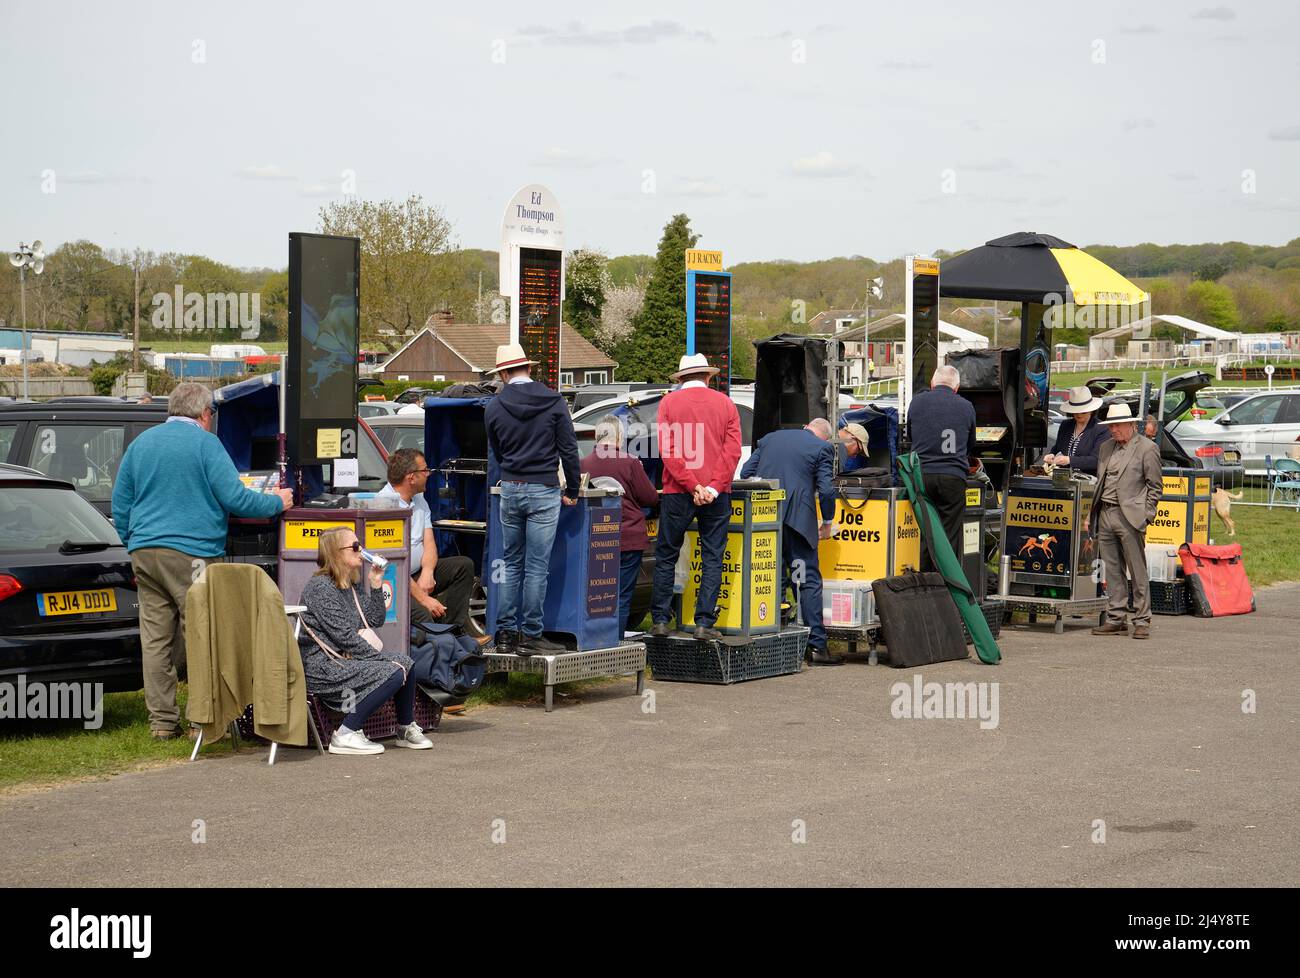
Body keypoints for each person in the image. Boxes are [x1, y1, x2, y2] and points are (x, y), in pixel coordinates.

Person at [111, 382, 293, 740]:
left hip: (146, 552)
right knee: (200, 635)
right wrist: (277, 502)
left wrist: (133, 543)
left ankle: (162, 723)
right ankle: (203, 723)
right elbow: (235, 498)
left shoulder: (142, 444)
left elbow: (121, 503)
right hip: (191, 552)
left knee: (155, 640)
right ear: (205, 414)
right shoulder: (206, 444)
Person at [298, 527, 431, 754]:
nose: (361, 551)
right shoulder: (320, 587)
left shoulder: (351, 583)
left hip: (344, 658)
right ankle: (346, 733)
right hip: (323, 665)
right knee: (394, 670)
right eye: (355, 547)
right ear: (336, 553)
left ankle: (405, 727)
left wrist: (376, 583)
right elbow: (345, 637)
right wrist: (381, 662)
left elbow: (374, 619)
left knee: (406, 662)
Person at [483, 343, 580, 656]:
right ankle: (532, 635)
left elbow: (497, 451)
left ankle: (505, 634)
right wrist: (573, 490)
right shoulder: (553, 402)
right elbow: (569, 449)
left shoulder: (494, 407)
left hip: (511, 487)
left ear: (504, 372)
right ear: (528, 368)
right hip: (544, 488)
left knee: (511, 564)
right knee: (536, 567)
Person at [650, 354, 742, 641]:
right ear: (708, 376)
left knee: (667, 554)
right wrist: (713, 487)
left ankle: (662, 620)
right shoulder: (726, 403)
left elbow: (669, 452)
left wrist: (692, 486)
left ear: (680, 379)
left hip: (678, 491)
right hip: (717, 494)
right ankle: (704, 622)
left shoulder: (668, 403)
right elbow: (733, 450)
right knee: (713, 556)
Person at [741, 418, 841, 665]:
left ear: (807, 426)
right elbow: (827, 491)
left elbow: (746, 474)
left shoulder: (770, 439)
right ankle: (816, 647)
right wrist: (827, 521)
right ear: (824, 437)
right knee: (807, 580)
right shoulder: (822, 448)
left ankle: (769, 644)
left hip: (766, 521)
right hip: (798, 522)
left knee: (771, 578)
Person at [377, 448, 475, 634]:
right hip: (394, 580)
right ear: (411, 477)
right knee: (425, 616)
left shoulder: (419, 500)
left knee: (463, 565)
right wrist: (423, 598)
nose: (429, 474)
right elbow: (393, 566)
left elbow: (429, 542)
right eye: (425, 470)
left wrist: (428, 572)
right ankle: (443, 642)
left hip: (417, 574)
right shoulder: (384, 507)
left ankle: (454, 633)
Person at [1089, 403, 1163, 640]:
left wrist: (1146, 515)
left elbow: (1155, 486)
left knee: (1137, 570)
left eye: (1118, 425)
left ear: (1132, 424)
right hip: (1106, 513)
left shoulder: (1147, 448)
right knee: (1112, 570)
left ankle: (1142, 619)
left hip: (1130, 516)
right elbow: (1101, 481)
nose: (1113, 430)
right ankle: (1116, 617)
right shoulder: (1105, 447)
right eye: (1111, 425)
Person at [580, 415, 659, 636]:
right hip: (628, 537)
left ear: (597, 438)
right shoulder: (630, 462)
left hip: (595, 539)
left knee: (596, 594)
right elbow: (650, 497)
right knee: (622, 595)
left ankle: (595, 638)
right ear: (620, 437)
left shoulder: (583, 464)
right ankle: (615, 640)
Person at [905, 365, 976, 570]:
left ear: (932, 384)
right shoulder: (966, 406)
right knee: (948, 536)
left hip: (922, 476)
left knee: (927, 531)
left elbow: (910, 436)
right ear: (956, 387)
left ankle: (924, 582)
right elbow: (970, 444)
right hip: (953, 477)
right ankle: (945, 584)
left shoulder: (917, 402)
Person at [1043, 386, 1110, 475]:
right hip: (1062, 478)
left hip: (1088, 480)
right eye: (1075, 411)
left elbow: (1096, 460)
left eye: (1083, 412)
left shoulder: (1102, 428)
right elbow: (1057, 448)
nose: (1079, 415)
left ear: (1091, 410)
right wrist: (1051, 455)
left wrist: (1069, 460)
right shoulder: (1065, 425)